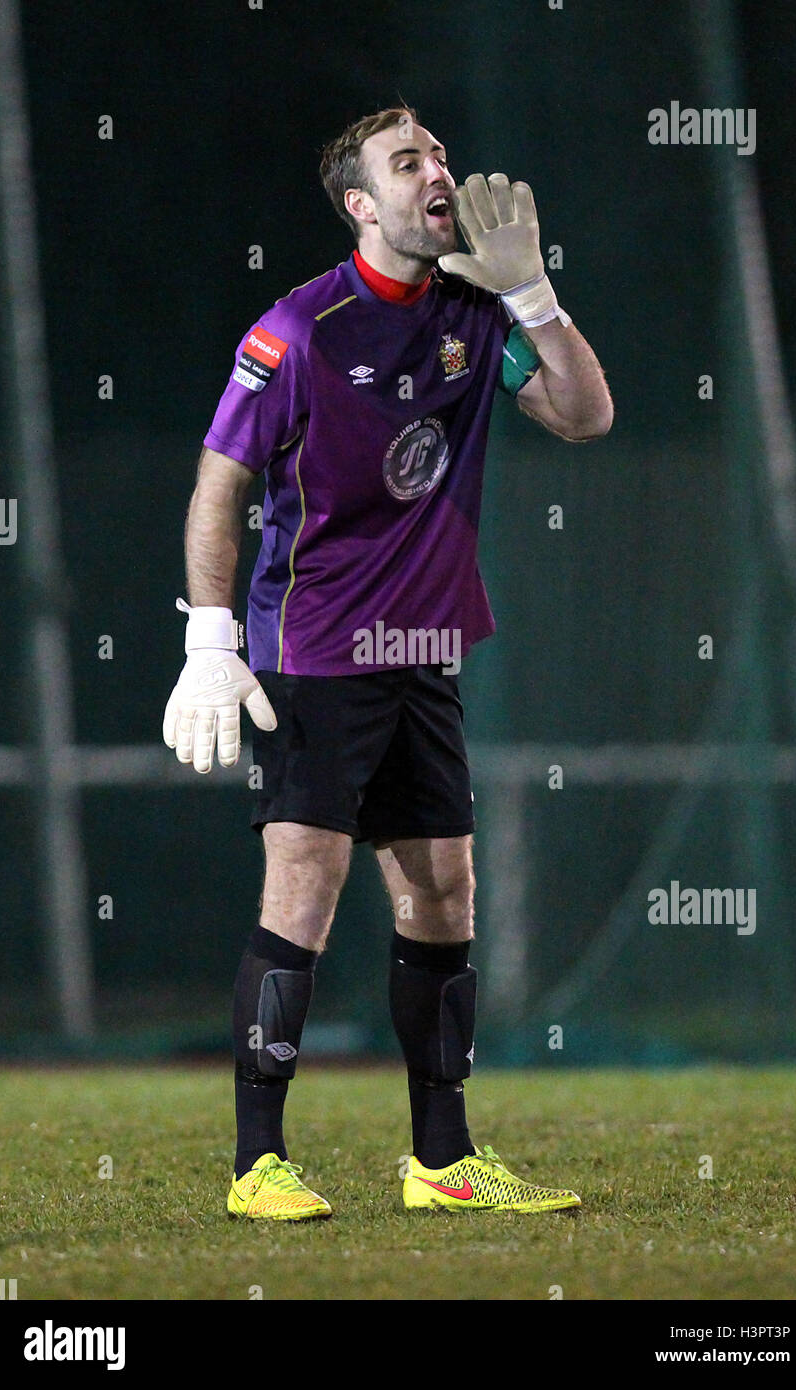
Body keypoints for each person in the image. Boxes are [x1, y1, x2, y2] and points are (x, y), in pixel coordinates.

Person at [163, 105, 613, 1220]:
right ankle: (256, 1165)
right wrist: (209, 641)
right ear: (362, 205)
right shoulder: (298, 329)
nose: (438, 174)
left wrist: (535, 296)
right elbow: (220, 484)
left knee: (442, 890)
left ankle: (441, 1161)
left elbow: (583, 415)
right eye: (407, 163)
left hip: (422, 651)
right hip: (313, 650)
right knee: (305, 885)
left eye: (440, 156)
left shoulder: (473, 312)